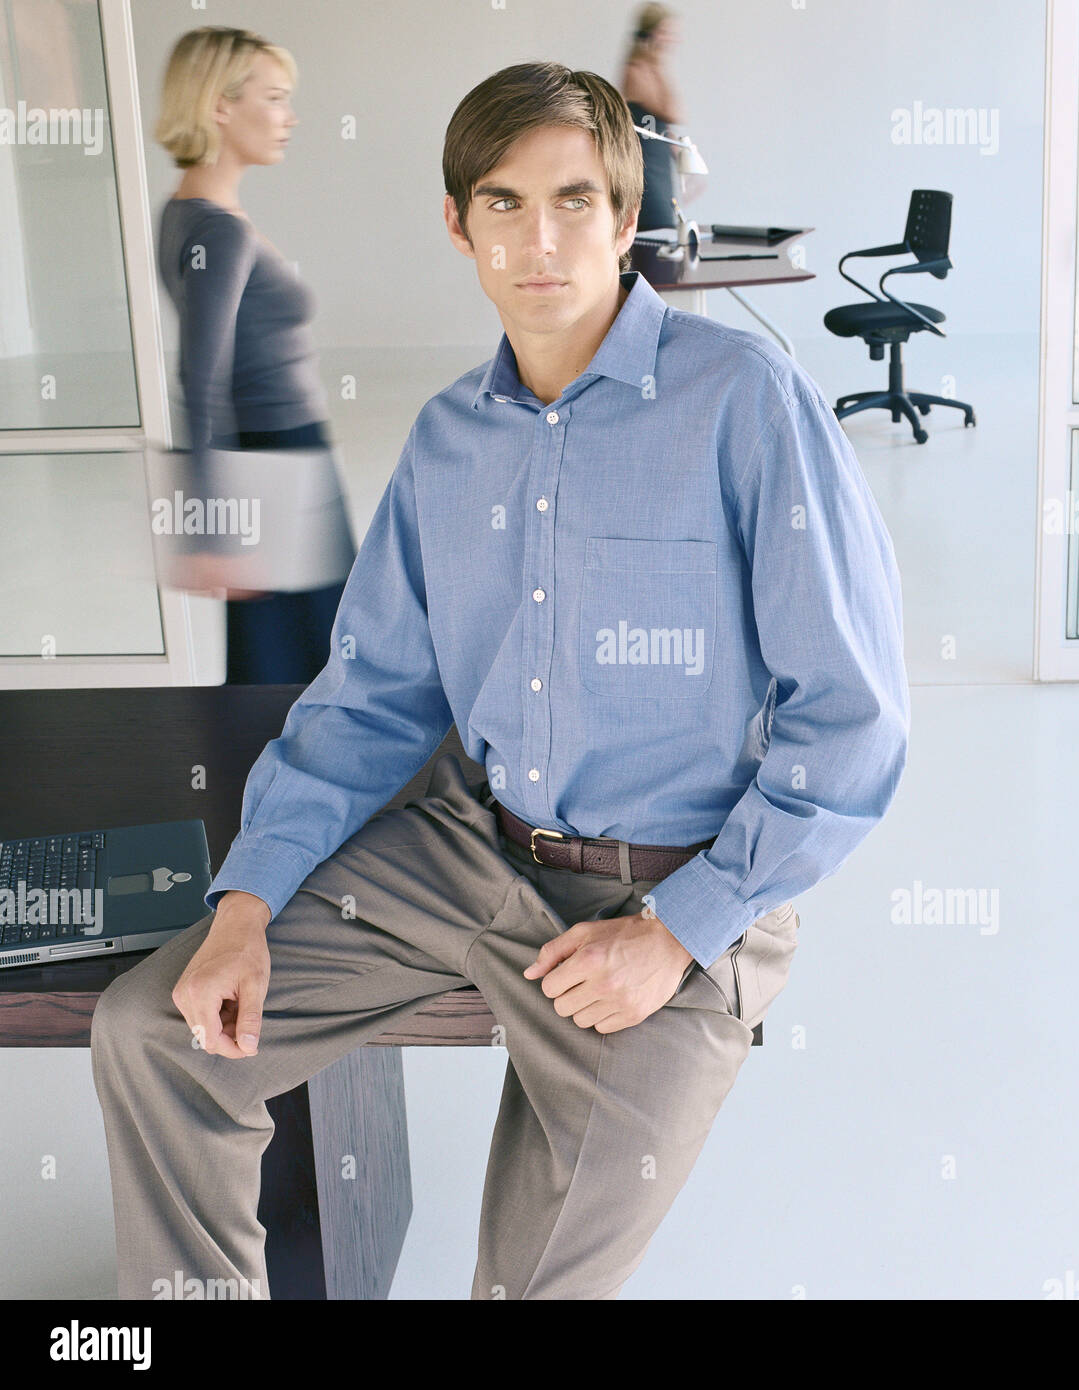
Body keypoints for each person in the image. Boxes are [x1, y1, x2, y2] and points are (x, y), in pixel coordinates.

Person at [91, 60, 909, 1300]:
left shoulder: (746, 403)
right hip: (468, 853)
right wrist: (248, 903)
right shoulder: (445, 441)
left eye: (575, 201)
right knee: (154, 1034)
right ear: (458, 223)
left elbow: (849, 725)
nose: (541, 239)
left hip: (669, 898)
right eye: (505, 203)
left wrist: (675, 936)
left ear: (626, 221)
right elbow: (369, 702)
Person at [153, 26, 352, 684]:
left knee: (283, 655)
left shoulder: (184, 213)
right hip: (280, 456)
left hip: (272, 456)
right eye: (273, 97)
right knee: (314, 657)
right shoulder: (219, 230)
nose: (288, 117)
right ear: (219, 105)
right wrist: (209, 523)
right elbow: (200, 380)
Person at [620, 4, 697, 230]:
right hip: (647, 169)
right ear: (651, 33)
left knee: (664, 226)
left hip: (659, 164)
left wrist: (683, 162)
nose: (674, 39)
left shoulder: (652, 67)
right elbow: (673, 111)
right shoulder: (636, 69)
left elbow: (661, 123)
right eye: (667, 32)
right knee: (655, 227)